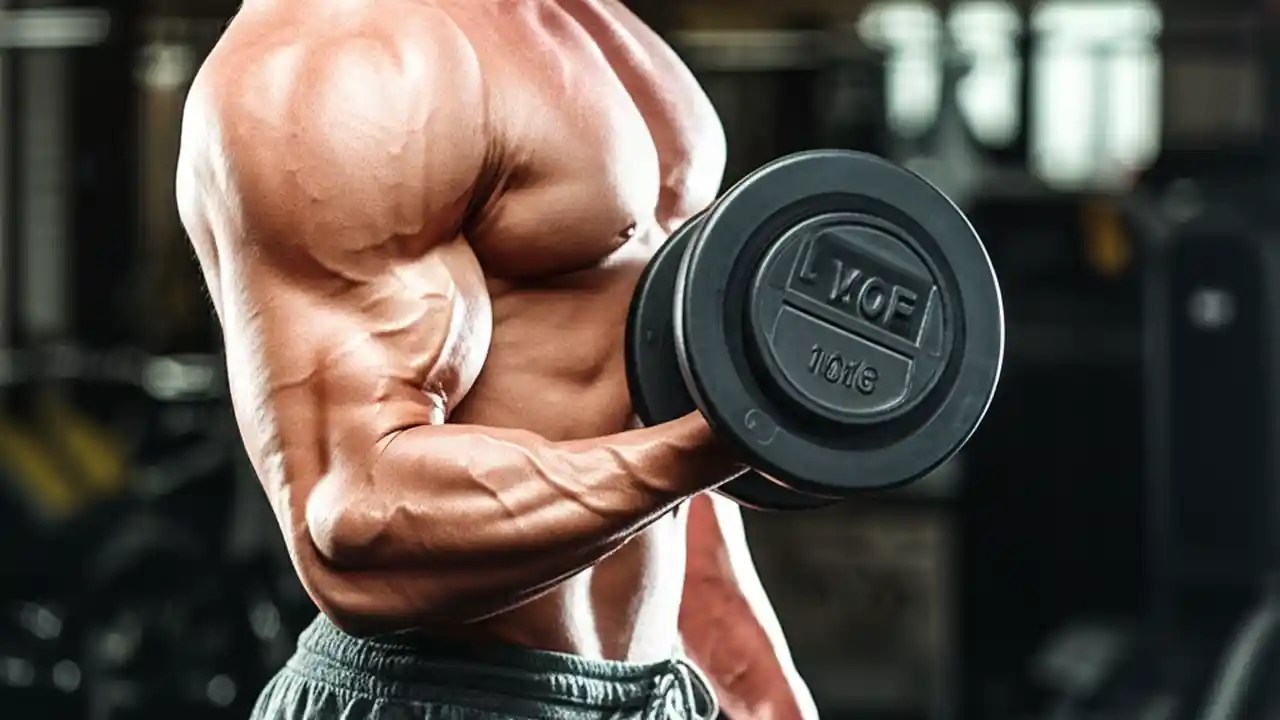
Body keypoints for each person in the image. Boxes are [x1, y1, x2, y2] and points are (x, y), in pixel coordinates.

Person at [176, 0, 817, 717]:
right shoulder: (340, 55)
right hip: (439, 693)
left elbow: (647, 403)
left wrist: (765, 696)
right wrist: (730, 438)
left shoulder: (594, 23)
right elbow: (358, 524)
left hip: (654, 691)